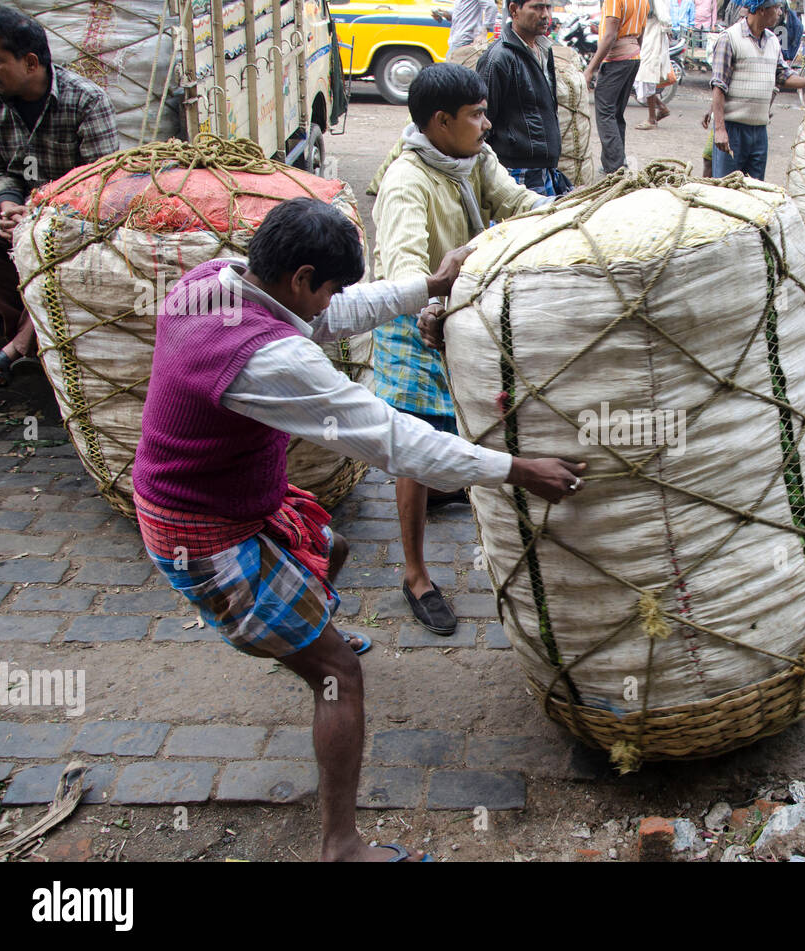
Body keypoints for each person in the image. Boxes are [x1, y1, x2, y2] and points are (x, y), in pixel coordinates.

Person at [133, 197, 586, 862]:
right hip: (203, 531)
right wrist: (517, 468)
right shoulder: (269, 360)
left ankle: (306, 633)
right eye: (330, 286)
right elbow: (396, 441)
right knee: (339, 675)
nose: (333, 302)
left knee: (333, 546)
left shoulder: (216, 280)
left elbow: (331, 315)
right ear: (301, 276)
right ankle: (341, 845)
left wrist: (429, 287)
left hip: (226, 492)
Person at [372, 63, 550, 637]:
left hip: (460, 314)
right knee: (413, 448)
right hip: (414, 321)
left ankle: (448, 485)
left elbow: (514, 201)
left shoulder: (474, 158)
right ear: (440, 122)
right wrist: (432, 304)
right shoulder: (406, 182)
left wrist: (567, 215)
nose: (487, 122)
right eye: (476, 115)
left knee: (460, 428)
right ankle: (416, 574)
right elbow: (403, 273)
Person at [0, 6, 118, 389]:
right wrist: (9, 204)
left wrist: (39, 212)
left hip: (71, 213)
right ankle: (36, 335)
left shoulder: (86, 101)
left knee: (60, 244)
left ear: (29, 62)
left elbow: (102, 183)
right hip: (16, 206)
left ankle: (22, 345)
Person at [710, 0, 805, 181]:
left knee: (756, 189)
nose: (780, 13)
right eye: (776, 8)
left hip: (759, 131)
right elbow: (718, 86)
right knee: (726, 188)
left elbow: (783, 76)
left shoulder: (773, 41)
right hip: (733, 129)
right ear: (761, 10)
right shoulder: (729, 38)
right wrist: (720, 129)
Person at [477, 0, 573, 195]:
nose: (545, 14)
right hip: (517, 173)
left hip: (544, 169)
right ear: (514, 10)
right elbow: (482, 121)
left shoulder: (544, 49)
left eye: (548, 7)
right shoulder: (499, 59)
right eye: (537, 7)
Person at [583, 0, 649, 173]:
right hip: (633, 57)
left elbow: (611, 36)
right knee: (616, 114)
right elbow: (640, 34)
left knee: (605, 112)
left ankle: (615, 167)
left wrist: (590, 69)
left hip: (617, 59)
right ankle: (614, 163)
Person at [633, 0, 673, 131]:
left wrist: (667, 28)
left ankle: (652, 119)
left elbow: (663, 14)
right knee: (642, 75)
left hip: (654, 35)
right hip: (646, 32)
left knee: (647, 75)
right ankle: (661, 107)